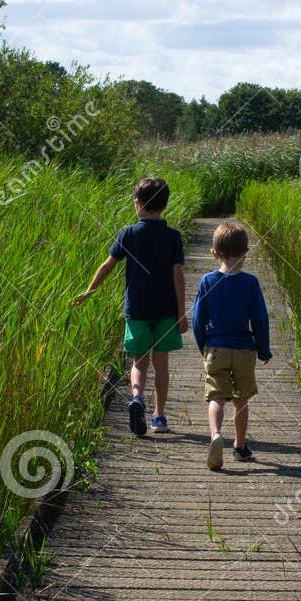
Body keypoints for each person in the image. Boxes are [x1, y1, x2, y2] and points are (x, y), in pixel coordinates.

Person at [72, 176, 187, 436]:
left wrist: (90, 290)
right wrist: (181, 313)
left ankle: (136, 397)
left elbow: (108, 265)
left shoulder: (129, 233)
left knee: (138, 363)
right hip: (166, 311)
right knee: (162, 365)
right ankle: (159, 416)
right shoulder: (172, 237)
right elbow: (177, 276)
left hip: (136, 311)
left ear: (138, 203)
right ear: (165, 205)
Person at [190, 221, 271, 470]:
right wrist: (264, 349)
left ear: (214, 253)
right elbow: (260, 318)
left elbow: (197, 318)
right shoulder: (250, 283)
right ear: (246, 252)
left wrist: (203, 343)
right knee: (241, 400)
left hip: (217, 349)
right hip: (245, 350)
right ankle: (239, 446)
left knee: (216, 397)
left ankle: (215, 435)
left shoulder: (207, 281)